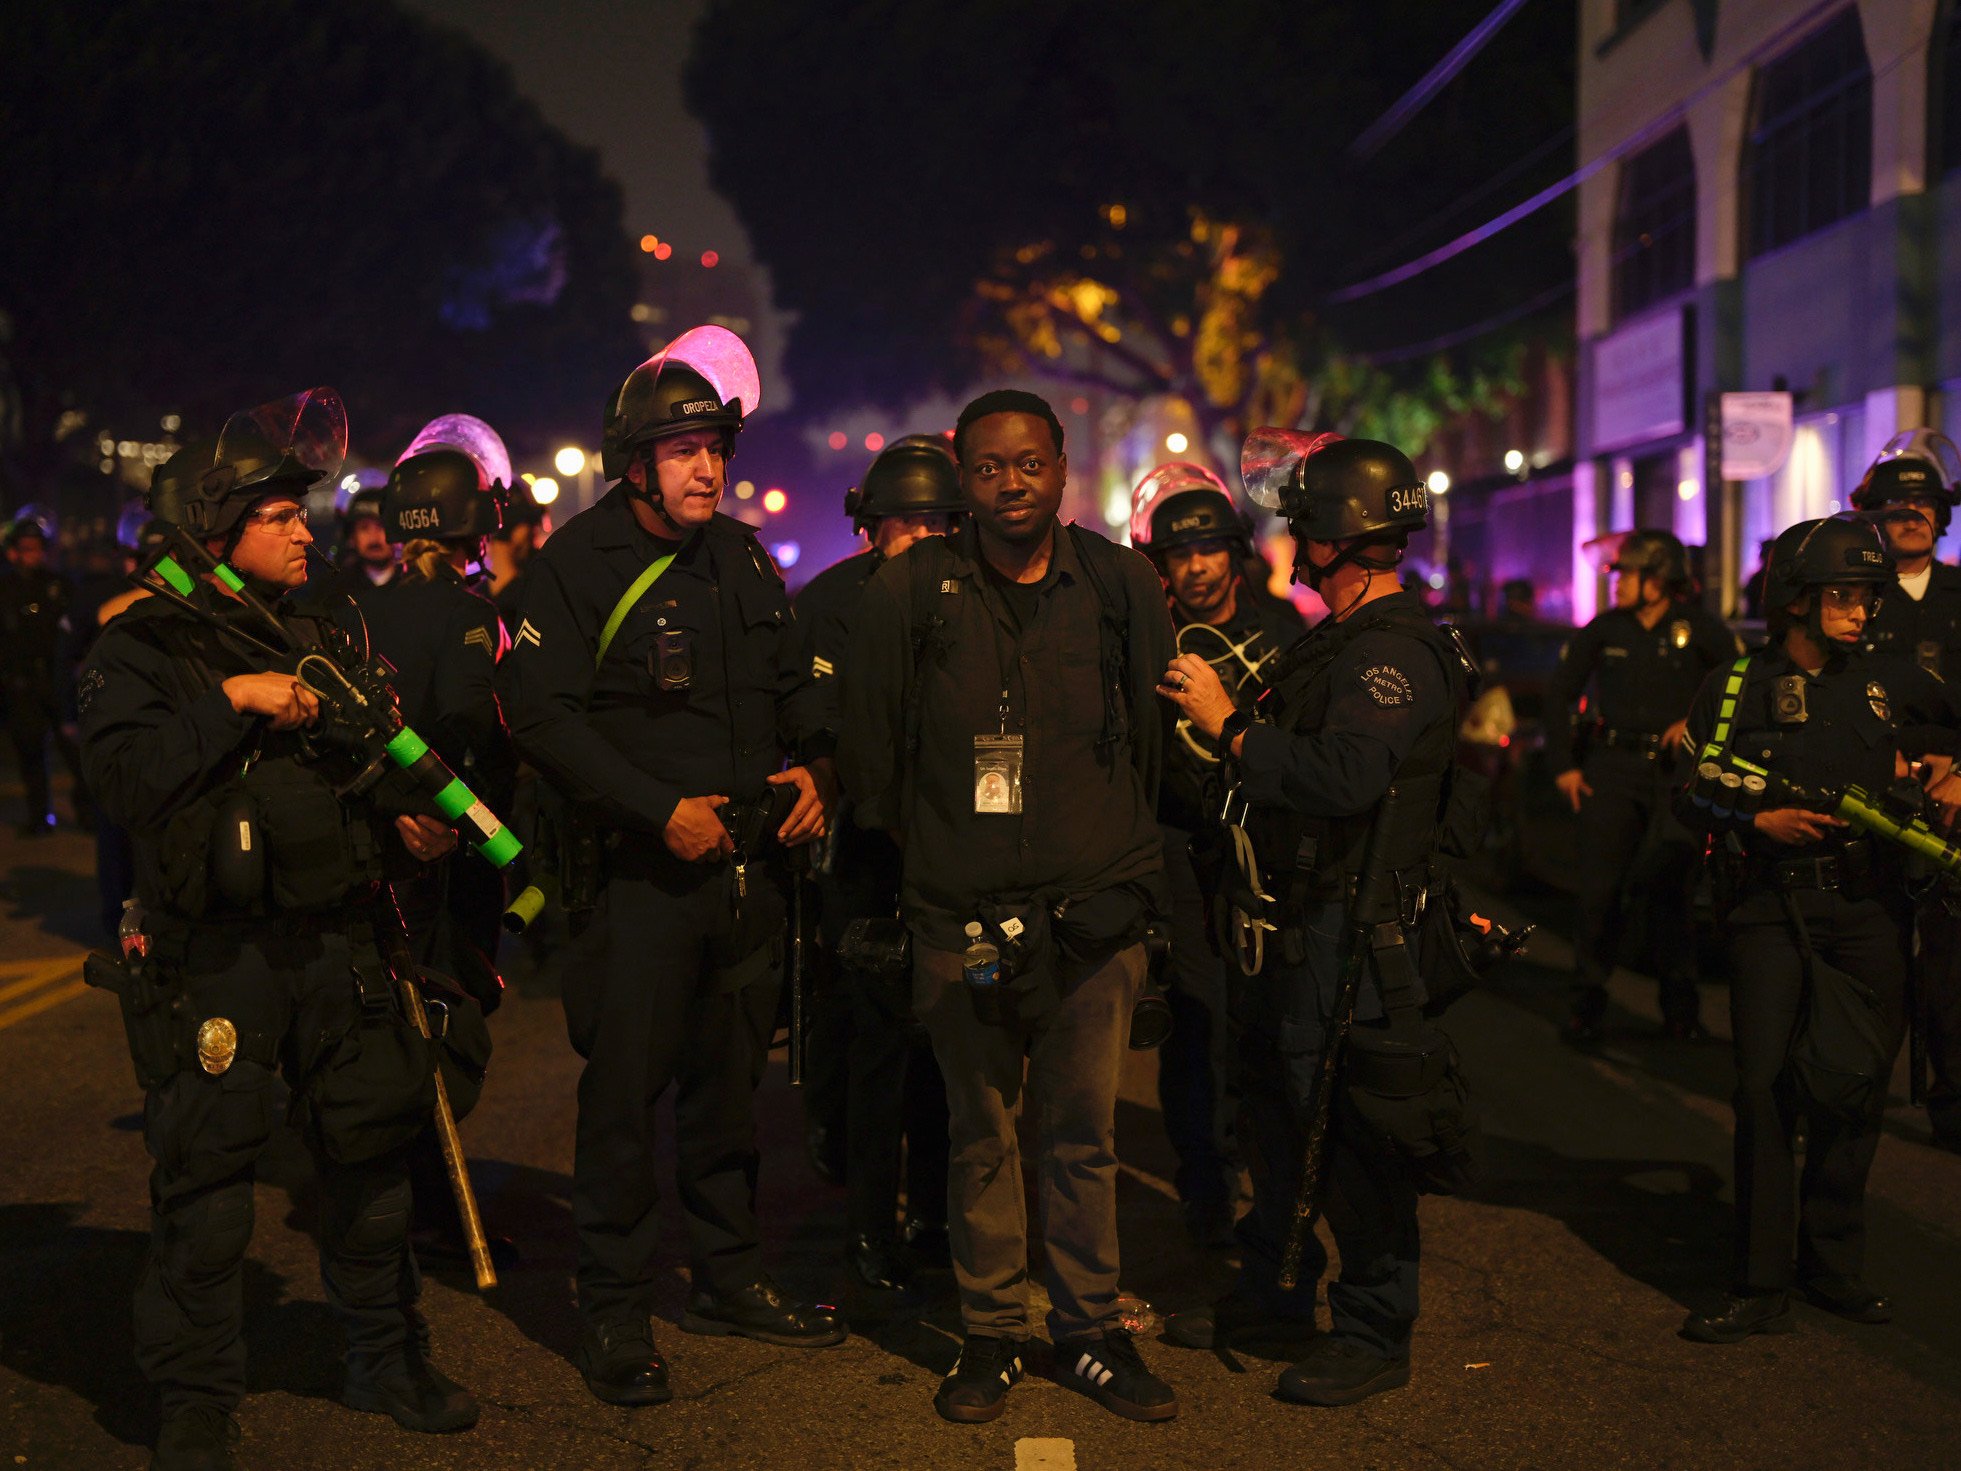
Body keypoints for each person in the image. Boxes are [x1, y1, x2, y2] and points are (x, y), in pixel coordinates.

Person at [78, 392, 478, 1471]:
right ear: (215, 527)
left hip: (340, 943)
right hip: (219, 957)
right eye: (280, 515)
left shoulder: (320, 629)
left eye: (305, 512)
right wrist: (232, 700)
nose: (308, 530)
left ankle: (386, 1359)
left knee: (371, 1164)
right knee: (207, 1194)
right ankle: (195, 1400)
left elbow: (355, 770)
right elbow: (122, 781)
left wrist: (406, 829)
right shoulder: (143, 641)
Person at [498, 326, 844, 1409]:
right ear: (636, 464)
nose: (707, 469)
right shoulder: (575, 566)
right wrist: (657, 811)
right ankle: (611, 1308)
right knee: (621, 1105)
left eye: (715, 449)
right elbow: (538, 717)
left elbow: (796, 687)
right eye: (684, 451)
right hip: (637, 884)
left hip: (745, 878)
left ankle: (729, 1279)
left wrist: (820, 769)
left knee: (727, 1099)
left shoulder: (742, 557)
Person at [840, 388, 1178, 1425]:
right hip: (962, 918)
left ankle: (1086, 1332)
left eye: (1029, 463)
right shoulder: (912, 591)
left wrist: (1107, 862)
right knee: (979, 1131)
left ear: (1062, 467)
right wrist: (946, 855)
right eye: (988, 468)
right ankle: (988, 1333)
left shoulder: (1118, 583)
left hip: (1092, 919)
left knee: (1081, 1134)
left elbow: (1150, 746)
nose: (1011, 484)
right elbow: (870, 754)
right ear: (962, 479)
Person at [1159, 431, 1465, 1407]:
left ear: (1333, 536)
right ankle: (1274, 1292)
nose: (1289, 542)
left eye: (1300, 526)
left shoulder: (1390, 653)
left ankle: (1373, 1329)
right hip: (1295, 919)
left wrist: (1229, 726)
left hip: (1354, 931)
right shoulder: (1334, 639)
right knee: (1279, 1116)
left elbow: (1344, 776)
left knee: (1354, 1133)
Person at [1676, 516, 1912, 1342]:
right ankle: (1759, 1279)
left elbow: (1942, 738)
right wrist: (1756, 819)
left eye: (1868, 595)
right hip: (1769, 909)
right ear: (1797, 598)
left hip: (1869, 908)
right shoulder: (1734, 683)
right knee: (1764, 1087)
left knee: (1855, 1084)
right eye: (1843, 594)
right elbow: (1687, 789)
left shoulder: (1885, 681)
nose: (1858, 610)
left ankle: (1831, 1264)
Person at [794, 434, 962, 1293]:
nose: (924, 538)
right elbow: (819, 724)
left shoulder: (978, 599)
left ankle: (933, 1216)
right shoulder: (831, 603)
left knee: (949, 1046)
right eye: (909, 523)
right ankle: (868, 1229)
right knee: (872, 1048)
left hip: (957, 850)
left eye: (939, 523)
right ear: (872, 525)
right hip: (865, 853)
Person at [359, 414, 520, 1264]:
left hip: (375, 842)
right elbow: (469, 722)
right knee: (446, 1018)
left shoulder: (359, 612)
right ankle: (433, 1210)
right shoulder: (470, 615)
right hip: (450, 850)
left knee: (389, 1020)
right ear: (476, 524)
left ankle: (391, 1202)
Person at [1130, 460, 1304, 1247]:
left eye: (1208, 549)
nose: (1196, 566)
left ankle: (1268, 1172)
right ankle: (1204, 1177)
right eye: (1179, 553)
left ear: (1235, 551)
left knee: (1266, 1017)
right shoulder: (1144, 638)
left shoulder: (1286, 632)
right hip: (1177, 848)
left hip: (1266, 846)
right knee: (1197, 1018)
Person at [1544, 530, 1739, 1044]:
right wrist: (1564, 766)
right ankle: (1585, 1005)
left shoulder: (1701, 629)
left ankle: (1680, 1012)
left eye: (1626, 573)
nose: (1617, 583)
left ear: (1657, 579)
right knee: (1599, 894)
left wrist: (1696, 724)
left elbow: (1738, 688)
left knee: (1673, 892)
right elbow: (1559, 694)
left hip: (1676, 776)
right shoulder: (1605, 629)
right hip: (1613, 769)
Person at [1849, 431, 1961, 1152]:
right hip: (1873, 791)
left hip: (1956, 799)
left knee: (1950, 964)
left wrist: (1959, 771)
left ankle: (1952, 1103)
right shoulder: (1850, 595)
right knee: (1870, 957)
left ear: (1941, 516)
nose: (1911, 516)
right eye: (1895, 506)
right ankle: (1847, 1096)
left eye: (1922, 505)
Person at [0, 515, 92, 836]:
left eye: (36, 547)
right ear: (13, 551)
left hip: (59, 680)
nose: (32, 554)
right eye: (25, 548)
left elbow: (78, 628)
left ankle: (88, 816)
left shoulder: (60, 585)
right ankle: (40, 818)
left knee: (76, 751)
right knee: (29, 751)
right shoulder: (5, 588)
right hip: (22, 683)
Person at [487, 479, 552, 638]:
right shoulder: (533, 595)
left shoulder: (475, 598)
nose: (534, 533)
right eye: (530, 523)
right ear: (517, 529)